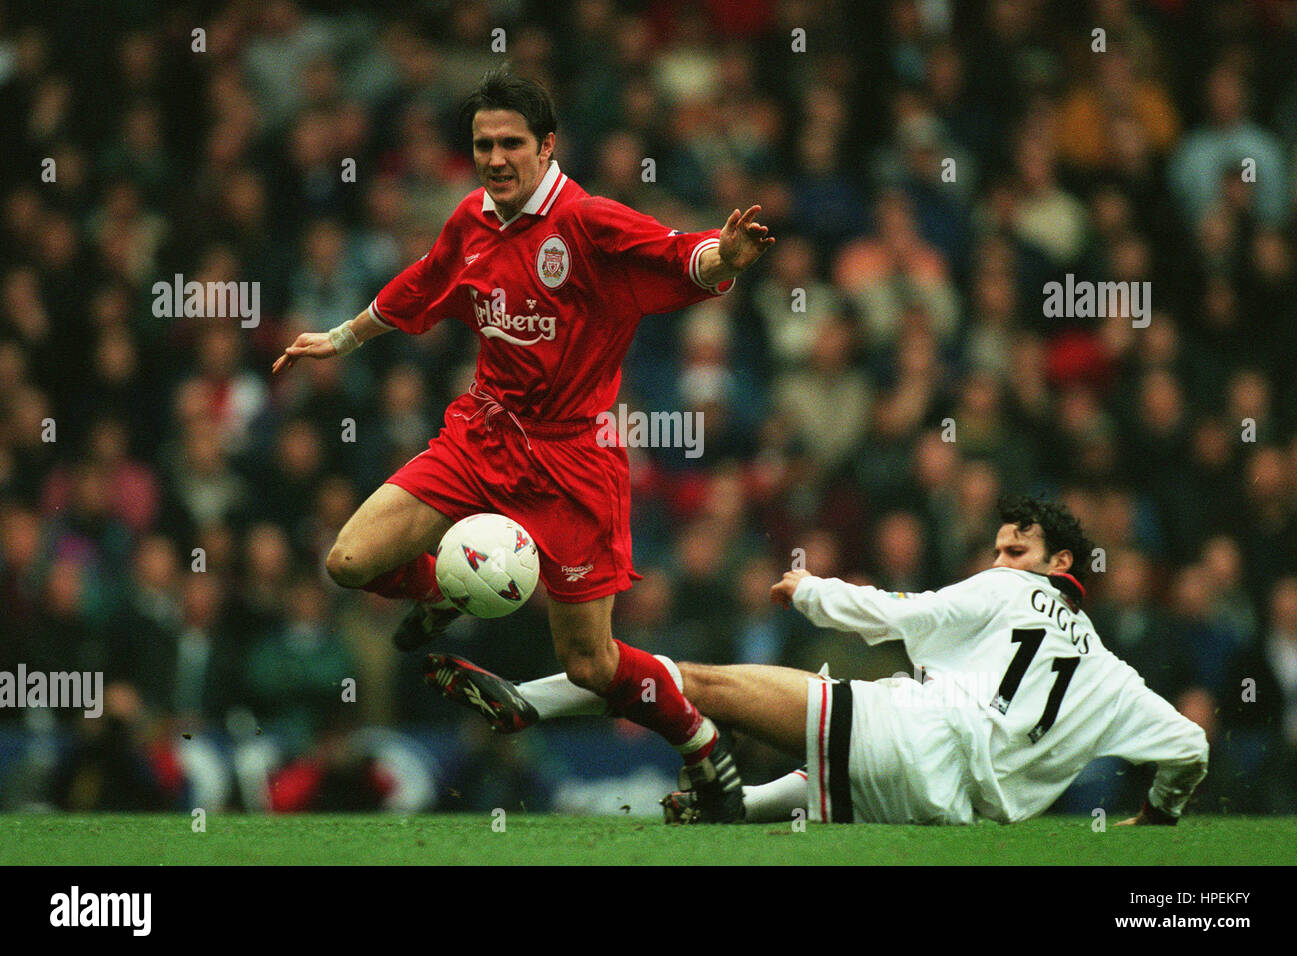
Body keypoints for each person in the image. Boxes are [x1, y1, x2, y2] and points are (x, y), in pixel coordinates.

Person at [272, 68, 774, 819]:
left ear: (546, 147)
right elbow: (423, 282)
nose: (495, 158)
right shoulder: (471, 220)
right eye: (482, 144)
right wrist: (341, 339)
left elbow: (678, 255)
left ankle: (701, 745)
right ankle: (446, 589)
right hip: (484, 434)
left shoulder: (588, 222)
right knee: (348, 561)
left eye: (511, 143)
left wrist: (725, 257)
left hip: (574, 462)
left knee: (591, 663)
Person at [429, 496, 1210, 825]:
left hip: (914, 736)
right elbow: (1190, 749)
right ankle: (735, 806)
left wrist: (810, 590)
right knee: (831, 766)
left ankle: (529, 700)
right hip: (956, 813)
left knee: (703, 685)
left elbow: (898, 615)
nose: (1002, 556)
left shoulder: (1008, 590)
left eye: (1018, 548)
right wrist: (1161, 814)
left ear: (1057, 560)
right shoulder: (1115, 679)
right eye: (1001, 546)